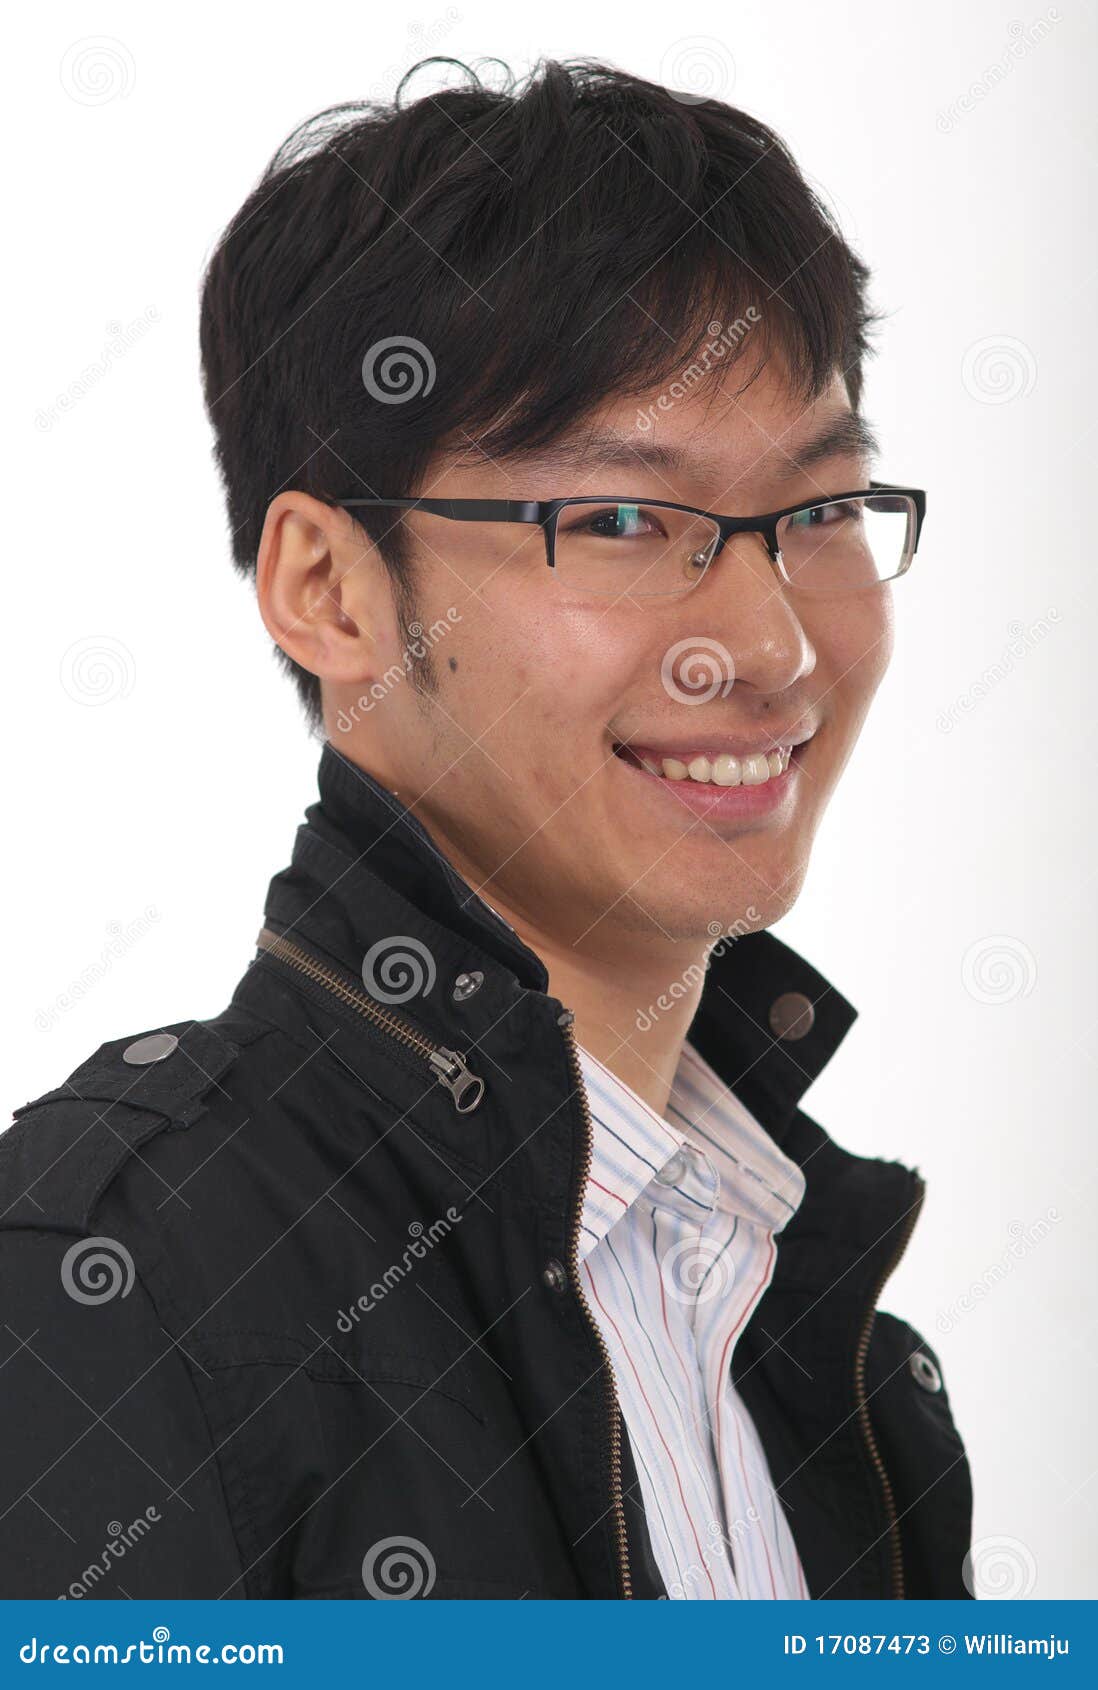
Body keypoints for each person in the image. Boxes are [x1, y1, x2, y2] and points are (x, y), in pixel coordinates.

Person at [0, 57, 972, 1600]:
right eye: (623, 520)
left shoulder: (839, 1359)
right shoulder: (107, 1287)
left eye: (817, 510)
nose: (773, 645)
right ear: (330, 588)